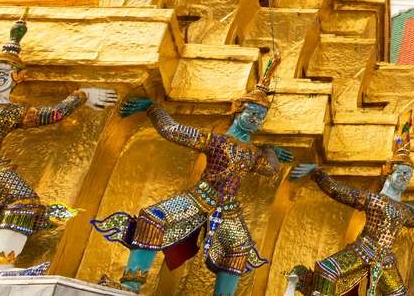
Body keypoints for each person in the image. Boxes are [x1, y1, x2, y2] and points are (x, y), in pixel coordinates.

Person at [91, 64, 291, 295]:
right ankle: (130, 285)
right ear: (238, 110)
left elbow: (270, 170)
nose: (256, 120)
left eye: (261, 117)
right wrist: (152, 108)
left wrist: (269, 150)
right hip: (200, 197)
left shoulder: (252, 153)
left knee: (240, 249)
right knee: (153, 218)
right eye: (252, 113)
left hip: (228, 208)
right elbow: (172, 130)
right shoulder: (215, 141)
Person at [0, 19, 116, 275]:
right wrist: (81, 94)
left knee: (23, 202)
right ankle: (3, 266)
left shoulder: (10, 111)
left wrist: (80, 95)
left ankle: (3, 265)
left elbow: (52, 115)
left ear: (15, 79)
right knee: (23, 201)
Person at [285, 126, 414, 296]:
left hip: (385, 260)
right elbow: (340, 192)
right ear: (389, 172)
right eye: (402, 172)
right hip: (363, 250)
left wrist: (413, 211)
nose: (405, 178)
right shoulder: (375, 200)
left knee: (399, 294)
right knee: (327, 271)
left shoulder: (404, 210)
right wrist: (317, 173)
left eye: (409, 175)